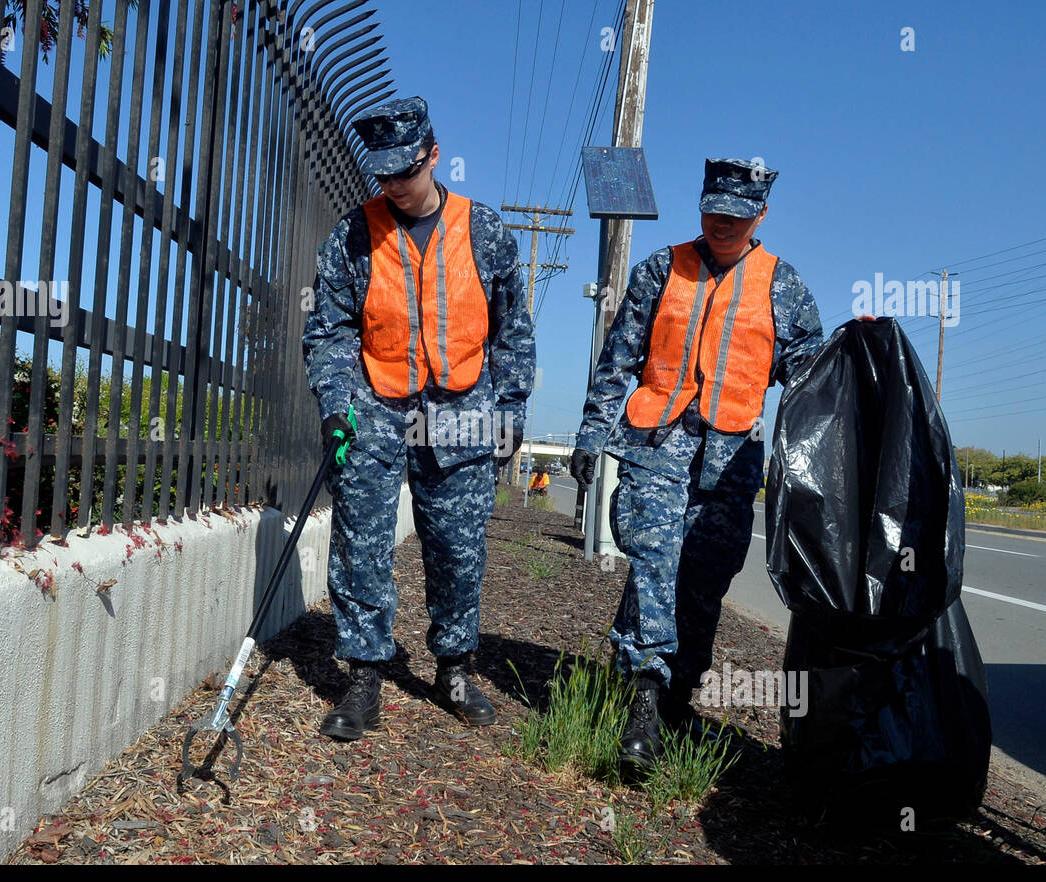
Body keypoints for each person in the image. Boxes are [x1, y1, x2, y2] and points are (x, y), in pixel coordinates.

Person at [570, 157, 824, 779]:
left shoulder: (783, 286)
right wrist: (591, 434)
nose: (721, 225)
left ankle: (676, 699)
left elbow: (811, 376)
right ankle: (645, 701)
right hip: (655, 444)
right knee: (655, 564)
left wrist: (856, 348)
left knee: (703, 582)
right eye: (713, 212)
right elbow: (617, 359)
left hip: (731, 464)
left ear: (761, 215)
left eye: (735, 216)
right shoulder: (661, 269)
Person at [302, 96, 534, 740]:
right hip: (375, 405)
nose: (395, 185)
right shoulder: (352, 236)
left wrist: (511, 408)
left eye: (405, 171)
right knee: (361, 542)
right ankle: (364, 675)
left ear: (433, 156)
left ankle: (454, 667)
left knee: (458, 547)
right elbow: (329, 330)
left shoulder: (484, 232)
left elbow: (513, 330)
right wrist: (336, 403)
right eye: (383, 175)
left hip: (462, 409)